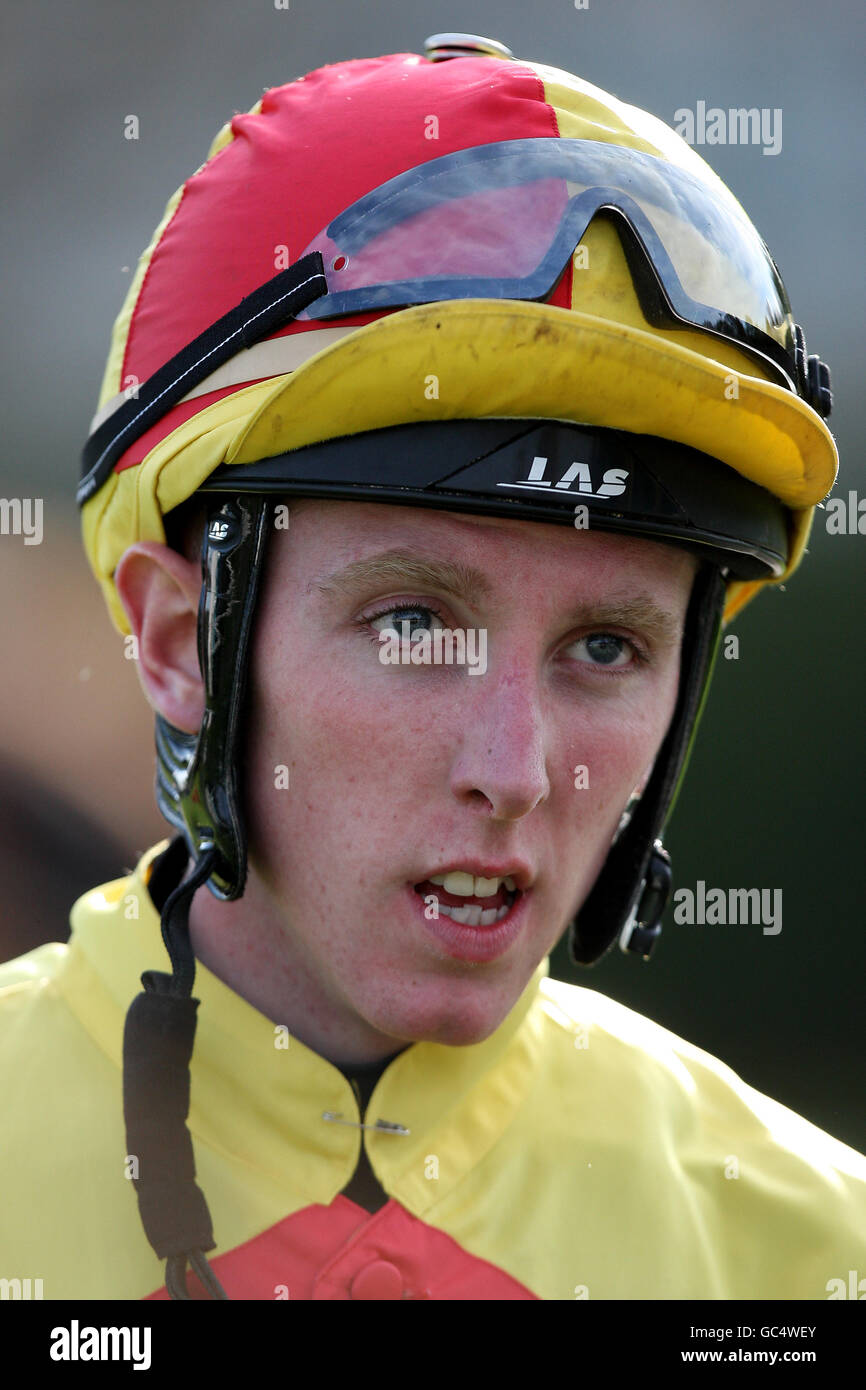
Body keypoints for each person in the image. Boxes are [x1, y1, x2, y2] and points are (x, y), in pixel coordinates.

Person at [2, 33, 863, 1303]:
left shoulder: (811, 1254)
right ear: (180, 645)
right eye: (413, 624)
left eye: (606, 646)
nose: (512, 770)